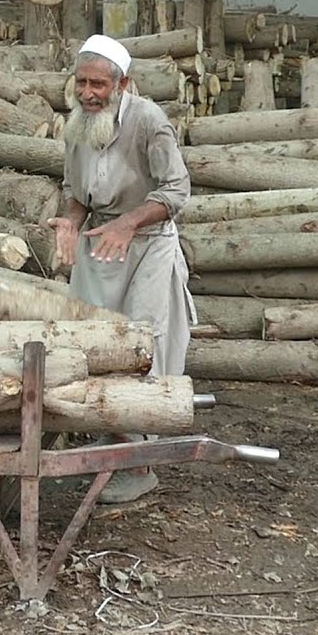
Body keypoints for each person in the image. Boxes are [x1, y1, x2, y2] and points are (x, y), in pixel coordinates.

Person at [46, 34, 195, 504]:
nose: (88, 93)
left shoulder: (149, 121)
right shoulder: (77, 122)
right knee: (93, 341)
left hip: (148, 245)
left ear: (122, 84)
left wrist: (129, 224)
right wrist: (70, 224)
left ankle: (140, 464)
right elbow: (75, 191)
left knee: (143, 342)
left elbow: (176, 191)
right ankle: (110, 438)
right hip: (100, 241)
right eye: (81, 83)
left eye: (98, 85)